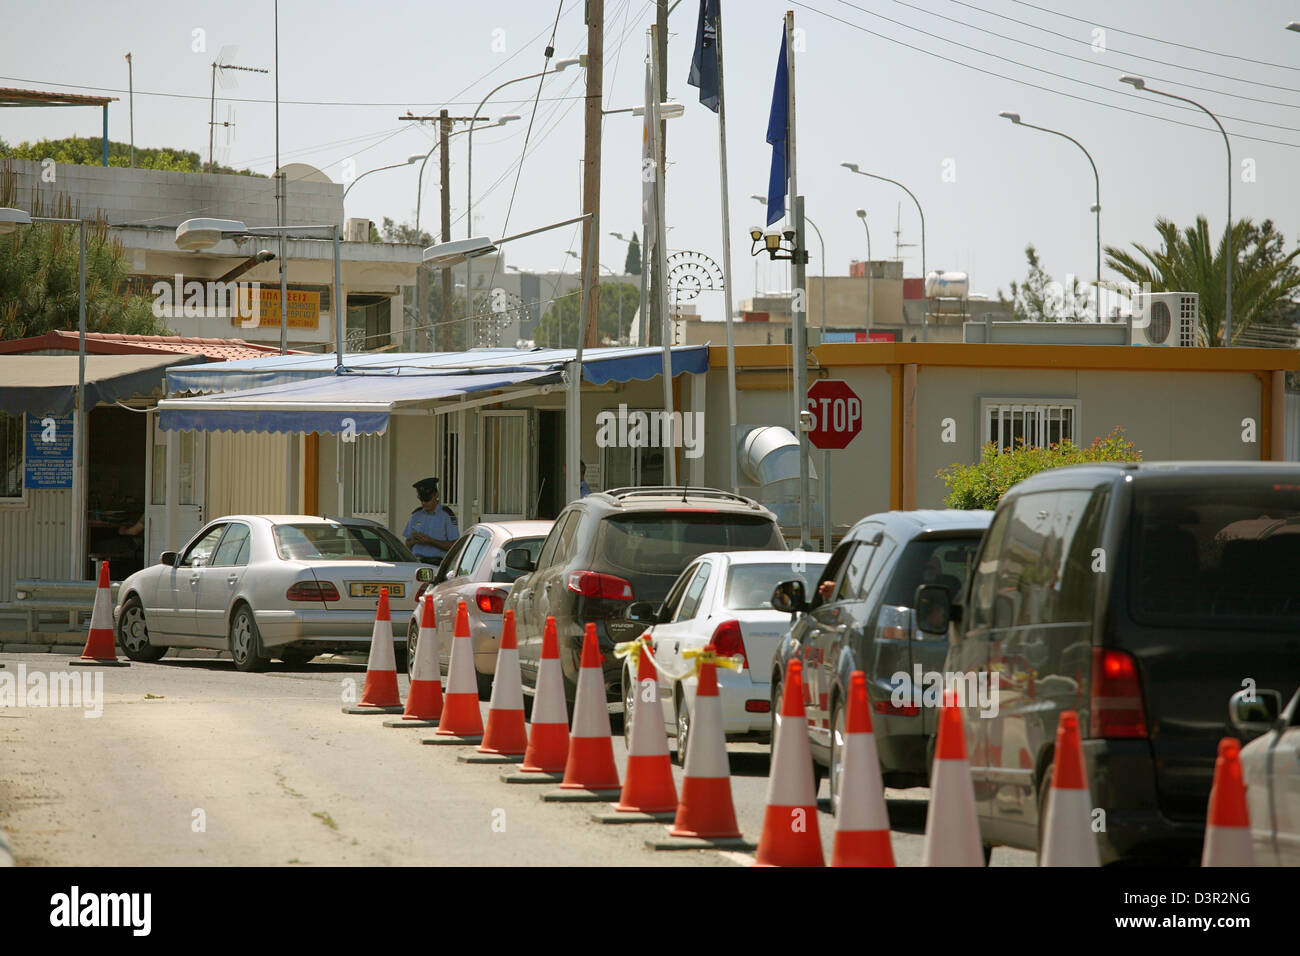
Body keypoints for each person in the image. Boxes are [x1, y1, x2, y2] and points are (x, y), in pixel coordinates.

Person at [402, 477, 459, 565]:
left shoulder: (446, 516)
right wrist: (414, 541)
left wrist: (431, 541)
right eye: (422, 500)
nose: (424, 503)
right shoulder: (416, 515)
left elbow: (454, 545)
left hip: (437, 563)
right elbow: (407, 544)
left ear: (436, 495)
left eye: (427, 499)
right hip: (416, 562)